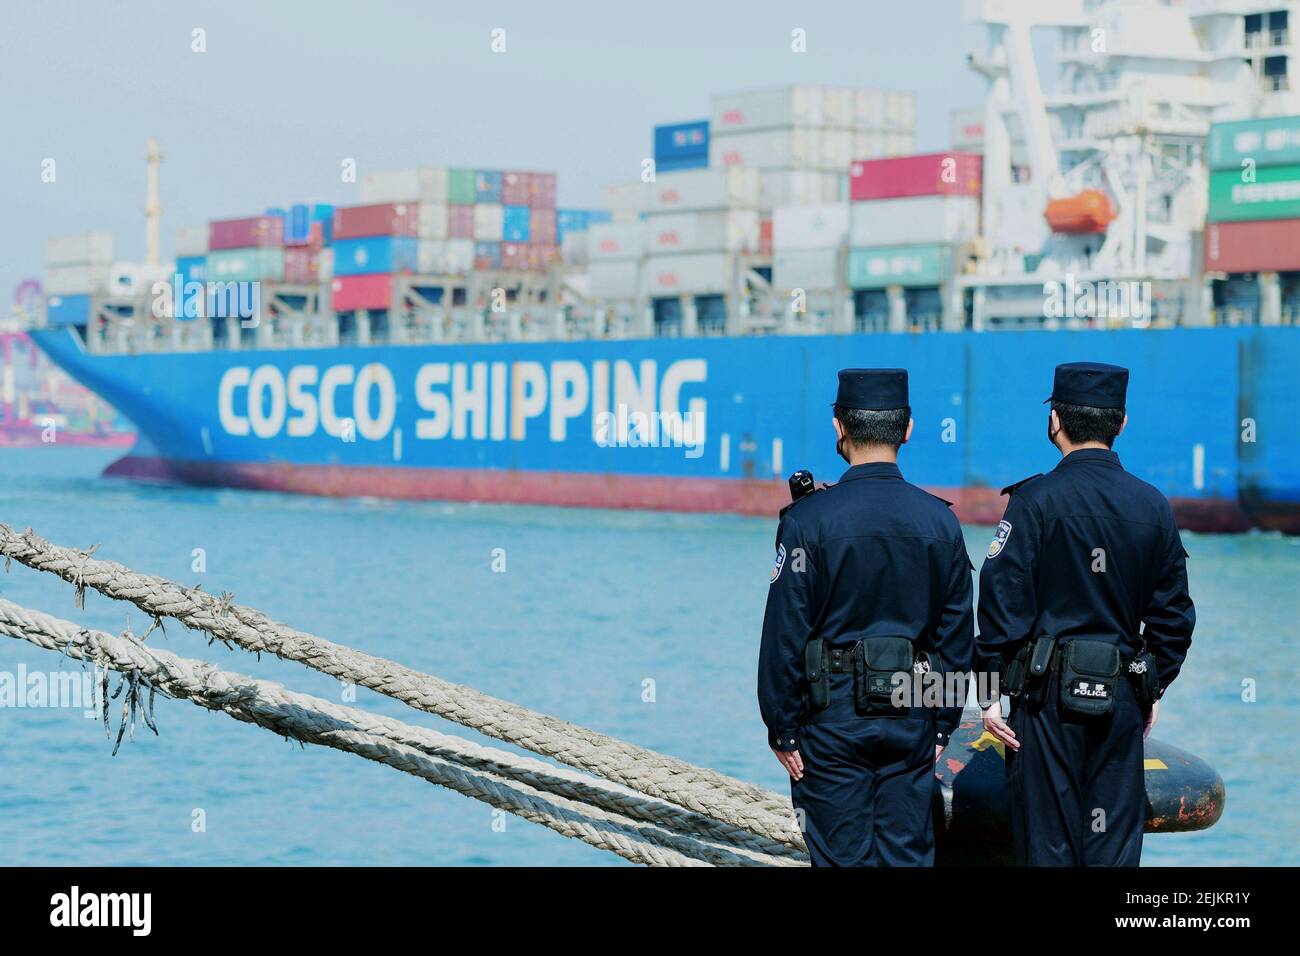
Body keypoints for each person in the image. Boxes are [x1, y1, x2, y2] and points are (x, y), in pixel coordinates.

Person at [977, 361, 1195, 866]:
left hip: (1044, 700)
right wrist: (1150, 684)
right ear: (1121, 423)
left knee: (1046, 846)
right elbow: (1174, 615)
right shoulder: (1153, 505)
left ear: (1055, 421)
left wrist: (990, 693)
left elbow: (999, 600)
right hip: (1120, 699)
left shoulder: (1034, 501)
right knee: (1114, 849)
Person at [757, 368, 975, 867]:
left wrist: (782, 726)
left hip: (830, 719)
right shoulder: (939, 521)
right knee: (907, 855)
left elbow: (784, 633)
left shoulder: (808, 521)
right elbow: (955, 636)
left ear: (840, 428)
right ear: (908, 429)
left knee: (838, 856)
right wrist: (941, 723)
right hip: (912, 711)